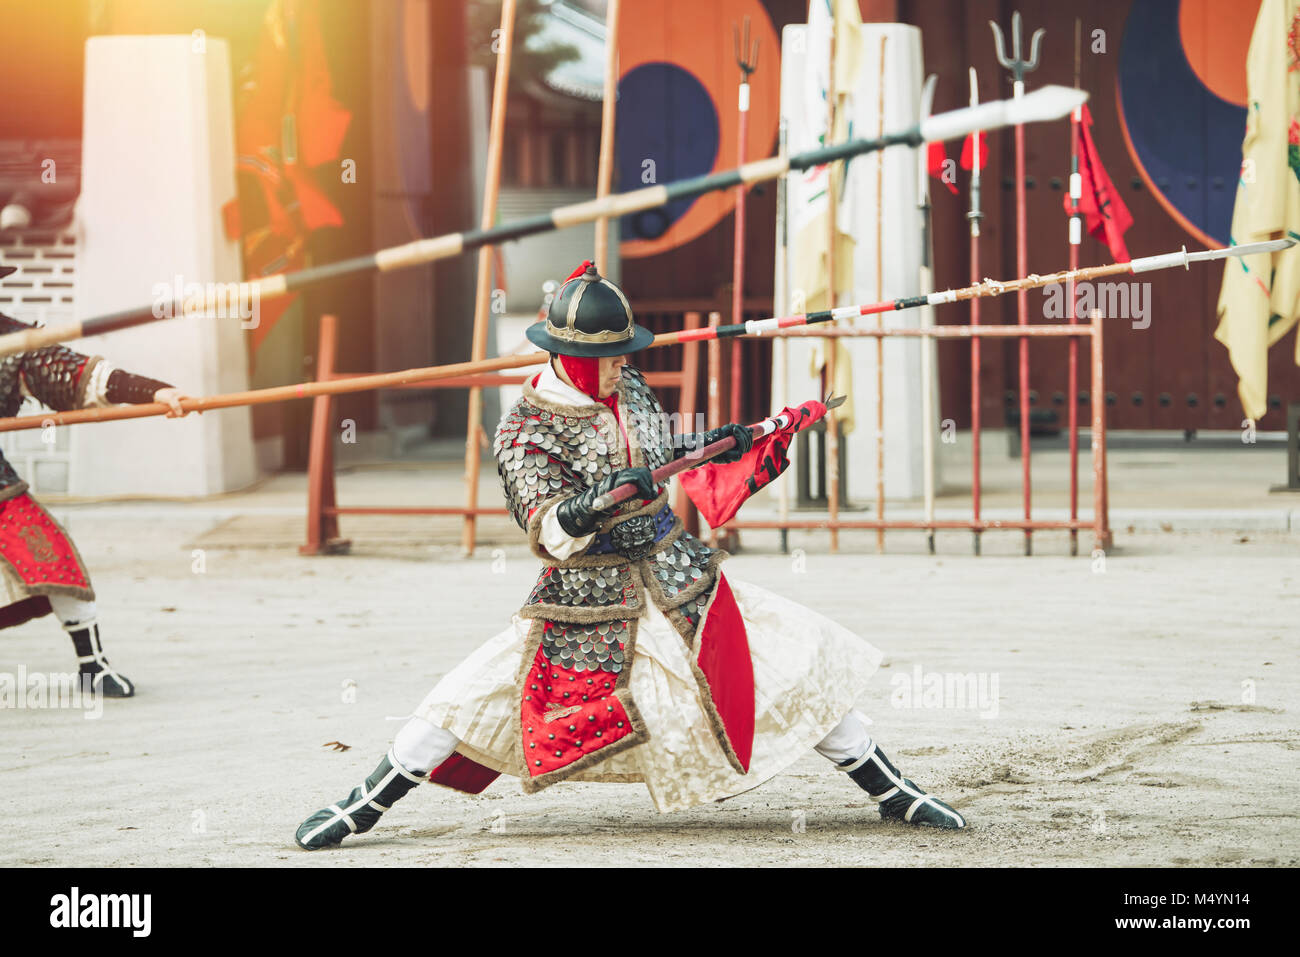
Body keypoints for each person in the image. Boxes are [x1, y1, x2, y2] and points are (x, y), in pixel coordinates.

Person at [295, 262, 965, 850]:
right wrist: (595, 502)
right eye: (612, 356)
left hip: (677, 571)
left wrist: (722, 441)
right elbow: (545, 526)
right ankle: (365, 804)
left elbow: (662, 452)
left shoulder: (629, 388)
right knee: (468, 695)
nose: (624, 364)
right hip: (583, 595)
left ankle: (892, 790)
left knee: (790, 656)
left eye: (625, 353)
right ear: (574, 358)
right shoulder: (526, 428)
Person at [0, 274, 192, 698]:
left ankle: (93, 664)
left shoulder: (14, 341)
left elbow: (78, 376)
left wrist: (153, 391)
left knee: (53, 559)